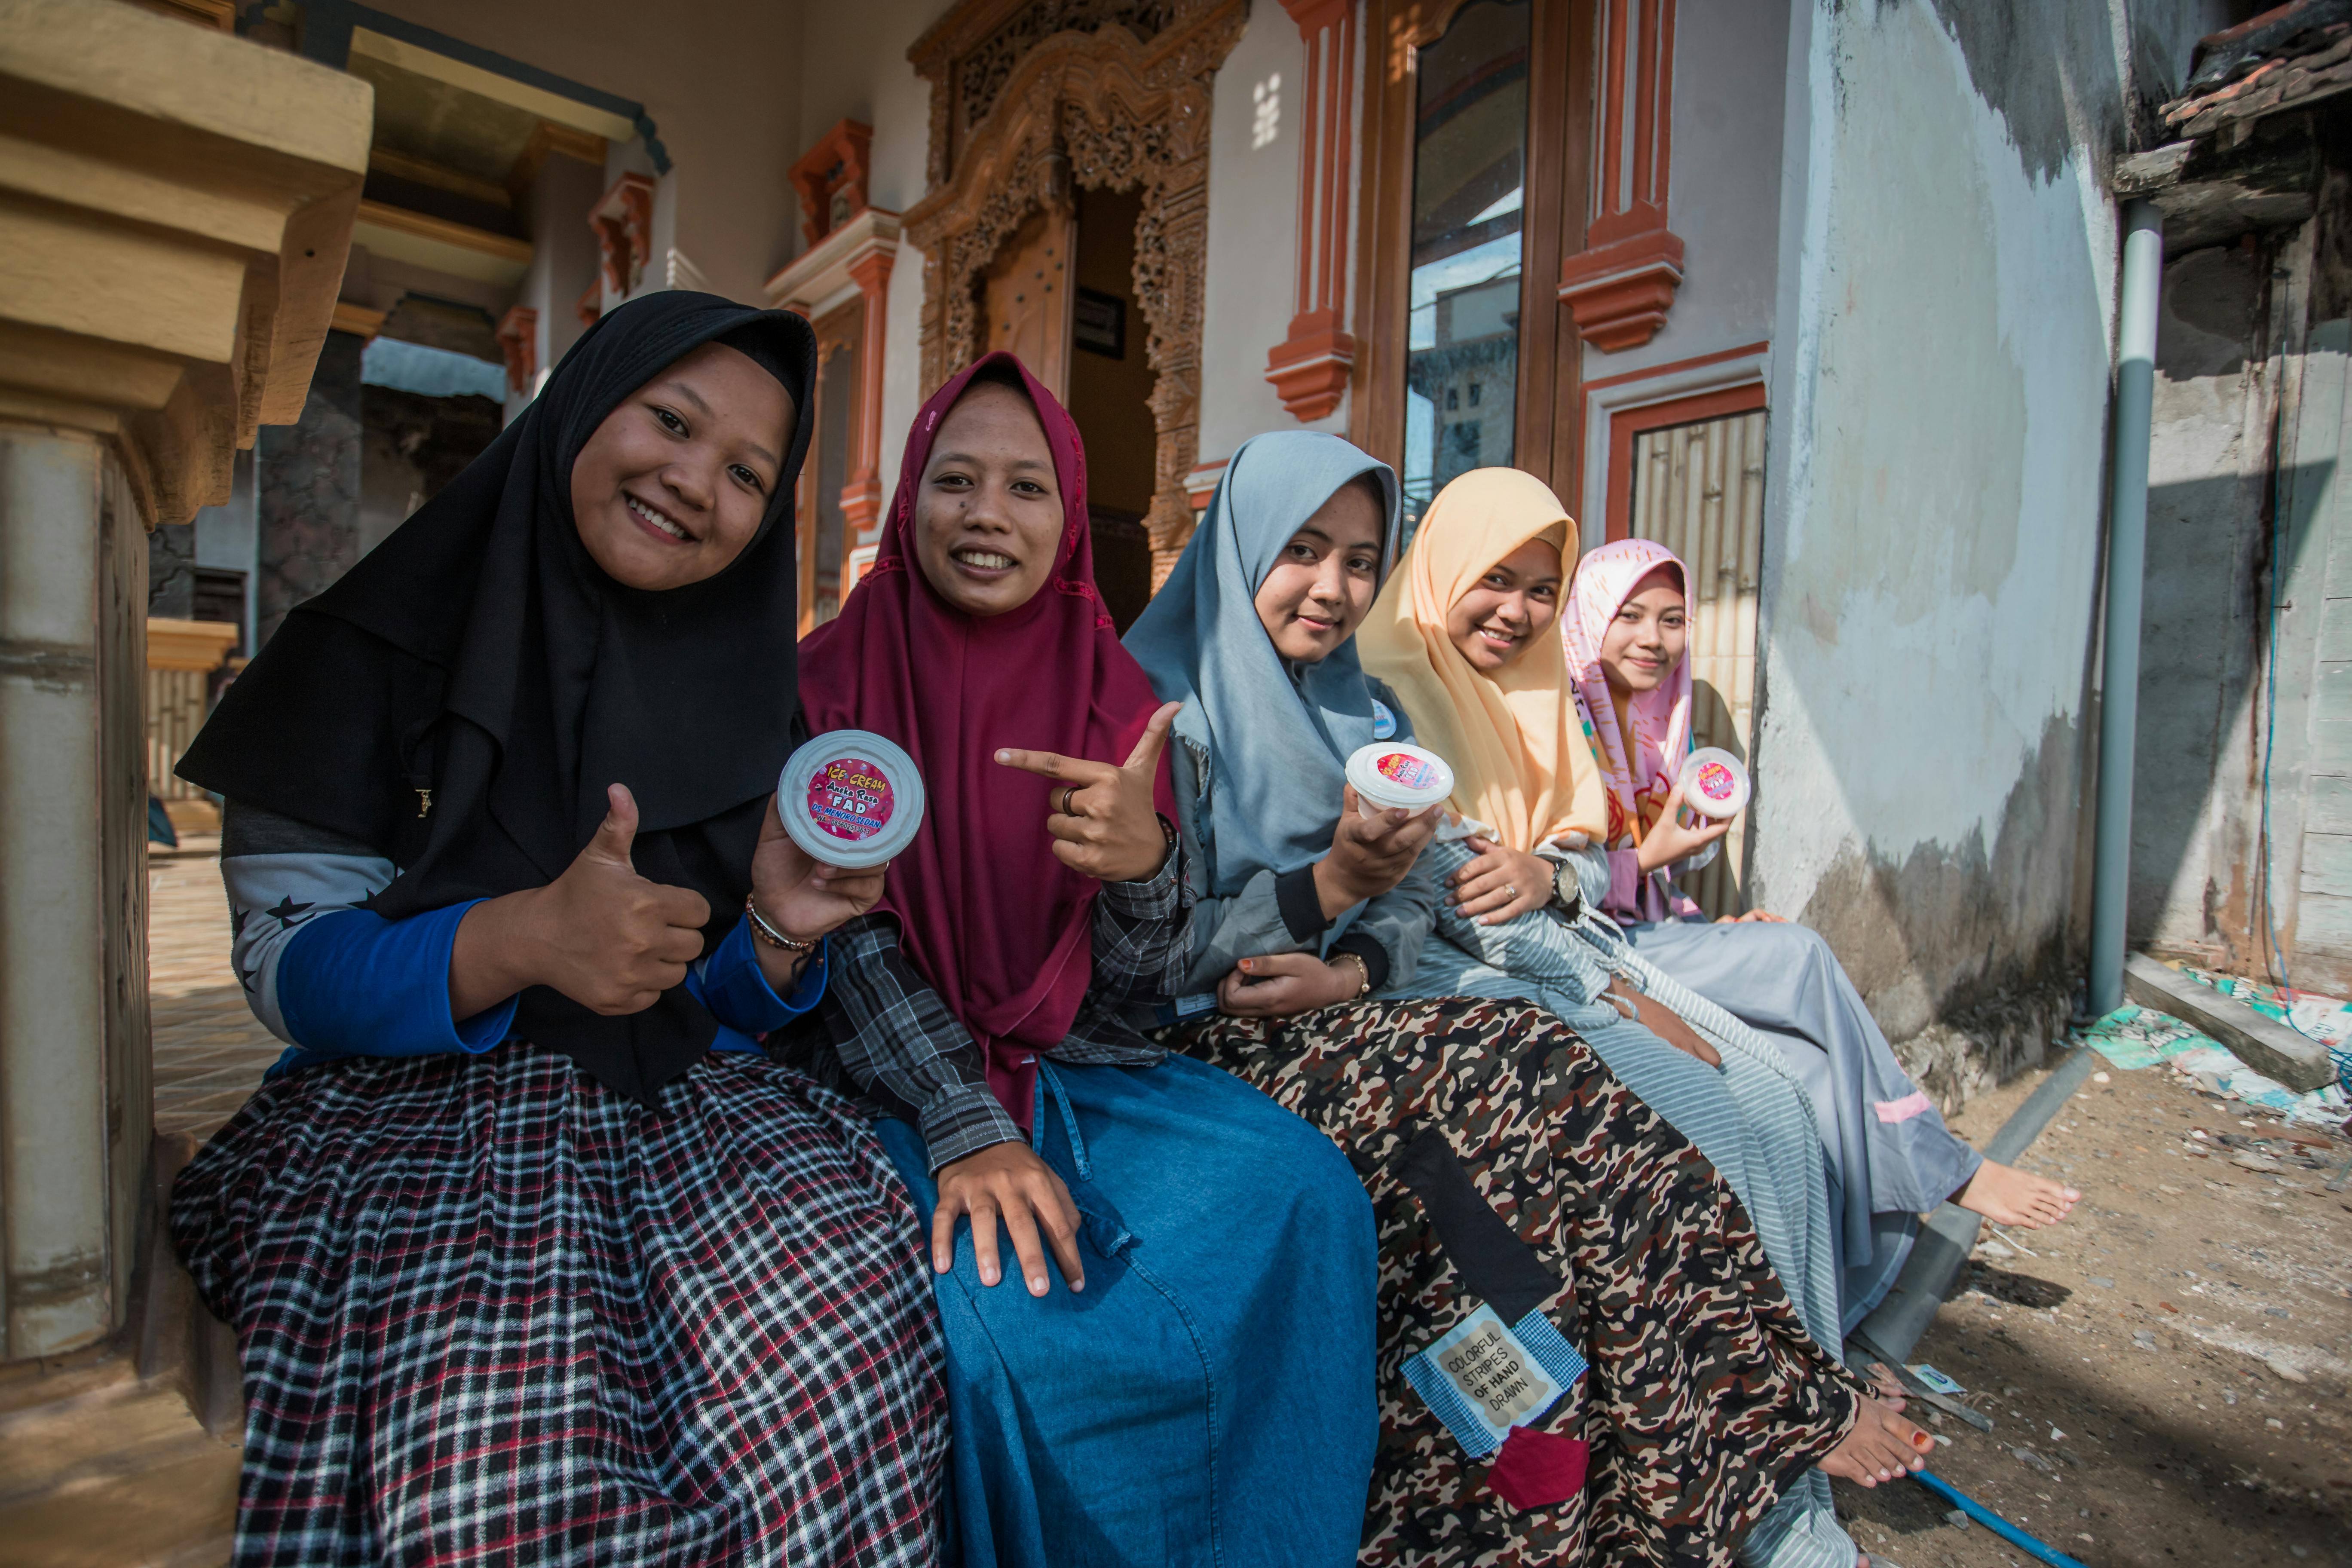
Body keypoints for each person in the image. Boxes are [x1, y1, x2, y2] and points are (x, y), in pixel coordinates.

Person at [168, 294, 946, 1565]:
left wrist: (782, 933)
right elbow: (287, 968)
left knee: (844, 1353)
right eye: (672, 421)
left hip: (683, 1117)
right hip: (403, 1123)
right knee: (507, 1445)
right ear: (583, 404)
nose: (697, 483)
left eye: (750, 474)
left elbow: (715, 997)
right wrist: (518, 939)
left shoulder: (747, 704)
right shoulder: (368, 649)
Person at [1124, 432, 1931, 1568]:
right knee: (1542, 1107)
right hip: (1226, 1039)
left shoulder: (1360, 713)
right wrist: (1328, 904)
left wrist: (1358, 959)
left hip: (1363, 1005)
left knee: (1646, 1127)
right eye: (1303, 550)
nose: (1336, 586)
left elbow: (1420, 887)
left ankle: (1754, 1434)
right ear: (1241, 542)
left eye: (1361, 560)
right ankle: (1764, 1429)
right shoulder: (1156, 718)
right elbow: (1147, 953)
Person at [786, 353, 1378, 1568]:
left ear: (1068, 523)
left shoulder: (1122, 704)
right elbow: (837, 936)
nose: (987, 514)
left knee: (1305, 1200)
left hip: (1086, 1064)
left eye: (1026, 486)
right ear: (908, 501)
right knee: (1019, 1330)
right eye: (955, 480)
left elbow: (1150, 982)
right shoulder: (823, 688)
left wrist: (1143, 858)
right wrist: (967, 1126)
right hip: (877, 1077)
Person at [1358, 466, 1902, 1568]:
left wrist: (1565, 891)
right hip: (1476, 984)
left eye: (1539, 590)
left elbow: (1580, 865)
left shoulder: (1533, 703)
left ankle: (1800, 1411)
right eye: (1493, 579)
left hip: (1568, 952)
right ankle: (1774, 1481)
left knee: (1780, 1103)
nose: (1514, 611)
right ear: (1441, 566)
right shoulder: (1387, 685)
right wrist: (1612, 993)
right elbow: (1466, 898)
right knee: (1723, 1123)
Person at [1565, 536, 2079, 1319]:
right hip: (1593, 953)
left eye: (1672, 620)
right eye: (1629, 616)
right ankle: (1948, 1167)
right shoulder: (1563, 722)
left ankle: (1825, 1309)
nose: (1654, 640)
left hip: (1656, 937)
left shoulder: (1661, 731)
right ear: (1588, 618)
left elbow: (1655, 887)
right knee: (1800, 955)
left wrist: (1718, 925)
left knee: (1812, 1073)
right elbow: (1573, 878)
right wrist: (1661, 857)